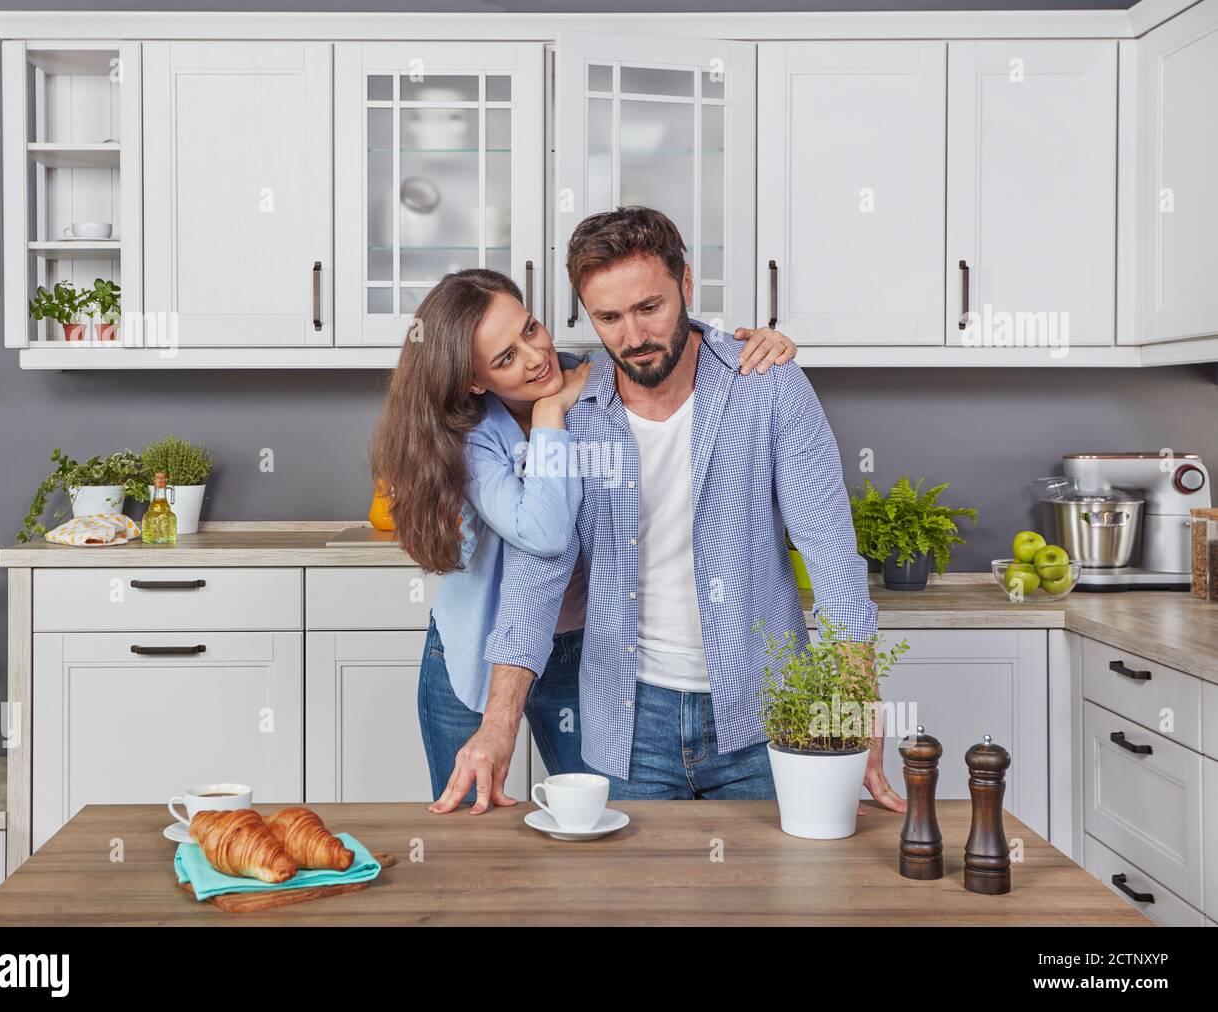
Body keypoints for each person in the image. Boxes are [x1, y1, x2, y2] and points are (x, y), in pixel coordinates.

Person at [430, 208, 907, 812]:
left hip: (767, 715)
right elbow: (536, 575)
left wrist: (854, 697)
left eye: (649, 307)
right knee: (637, 906)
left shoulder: (768, 384)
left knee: (779, 902)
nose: (633, 337)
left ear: (686, 284)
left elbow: (831, 551)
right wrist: (499, 725)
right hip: (629, 726)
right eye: (608, 317)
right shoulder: (573, 414)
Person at [371, 268, 800, 811]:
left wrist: (759, 342)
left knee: (591, 817)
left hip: (582, 646)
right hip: (475, 646)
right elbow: (545, 534)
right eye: (504, 358)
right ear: (474, 382)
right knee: (468, 812)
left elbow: (667, 343)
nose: (533, 357)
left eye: (529, 329)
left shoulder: (596, 383)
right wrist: (551, 415)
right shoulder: (472, 436)